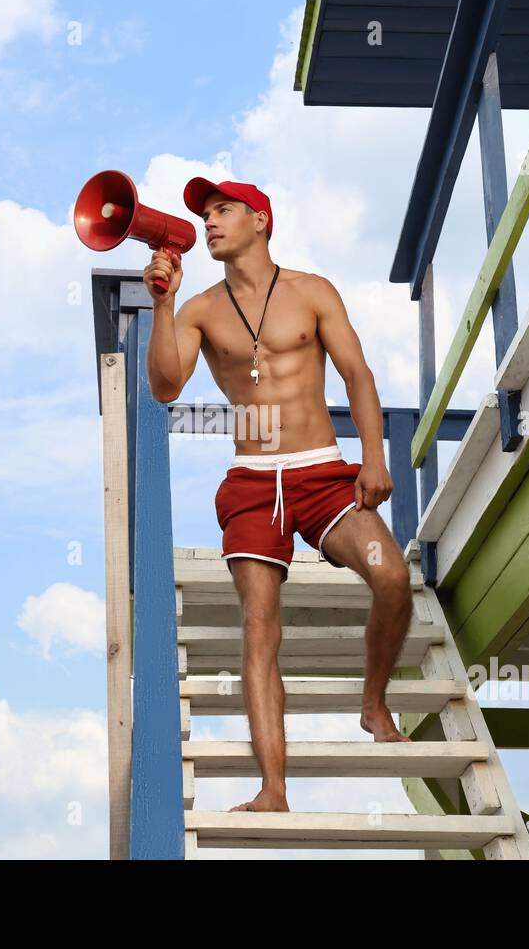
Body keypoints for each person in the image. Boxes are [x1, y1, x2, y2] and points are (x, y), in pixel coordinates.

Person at [145, 177, 413, 814]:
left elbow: (358, 374)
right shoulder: (201, 308)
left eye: (223, 210)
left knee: (394, 578)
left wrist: (373, 456)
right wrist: (162, 303)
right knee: (260, 626)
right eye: (205, 214)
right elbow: (164, 387)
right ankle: (273, 788)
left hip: (323, 474)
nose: (210, 223)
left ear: (260, 220)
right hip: (252, 482)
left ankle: (372, 704)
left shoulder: (312, 291)